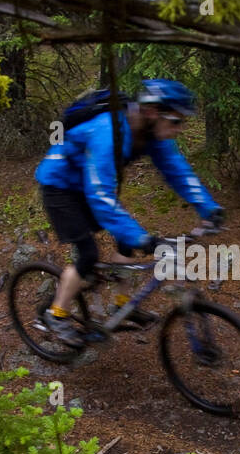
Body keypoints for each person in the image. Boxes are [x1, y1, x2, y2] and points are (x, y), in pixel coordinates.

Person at [34, 79, 224, 347]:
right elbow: (100, 197)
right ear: (151, 112)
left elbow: (178, 171)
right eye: (175, 121)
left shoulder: (152, 134)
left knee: (126, 239)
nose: (179, 129)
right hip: (60, 187)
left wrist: (209, 208)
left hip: (88, 185)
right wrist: (144, 240)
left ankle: (123, 305)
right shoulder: (107, 133)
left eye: (182, 122)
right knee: (88, 254)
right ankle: (57, 314)